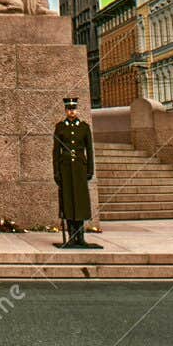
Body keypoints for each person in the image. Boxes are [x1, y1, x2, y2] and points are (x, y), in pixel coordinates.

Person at [52, 96, 99, 249]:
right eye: (69, 109)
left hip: (80, 168)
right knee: (68, 201)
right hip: (65, 169)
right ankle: (71, 235)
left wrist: (90, 169)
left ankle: (80, 236)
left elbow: (89, 150)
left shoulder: (84, 128)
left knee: (80, 202)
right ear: (66, 111)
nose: (71, 112)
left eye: (73, 109)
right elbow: (56, 152)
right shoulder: (60, 127)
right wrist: (56, 172)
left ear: (77, 110)